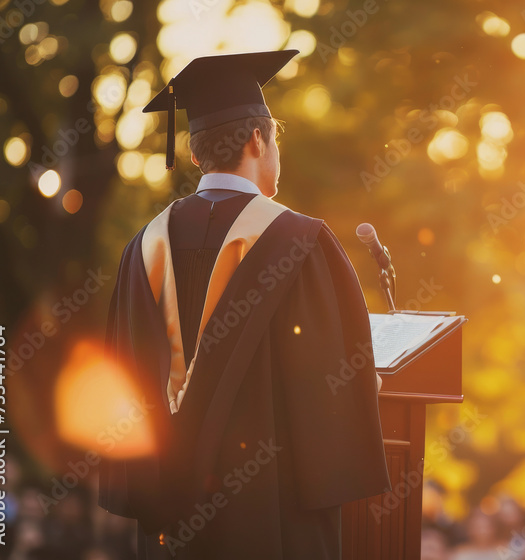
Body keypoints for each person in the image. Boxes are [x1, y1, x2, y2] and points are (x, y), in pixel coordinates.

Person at [96, 49, 391, 559]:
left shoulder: (142, 248)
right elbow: (336, 387)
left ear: (195, 156)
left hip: (170, 527)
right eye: (277, 141)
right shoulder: (301, 243)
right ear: (258, 140)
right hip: (273, 519)